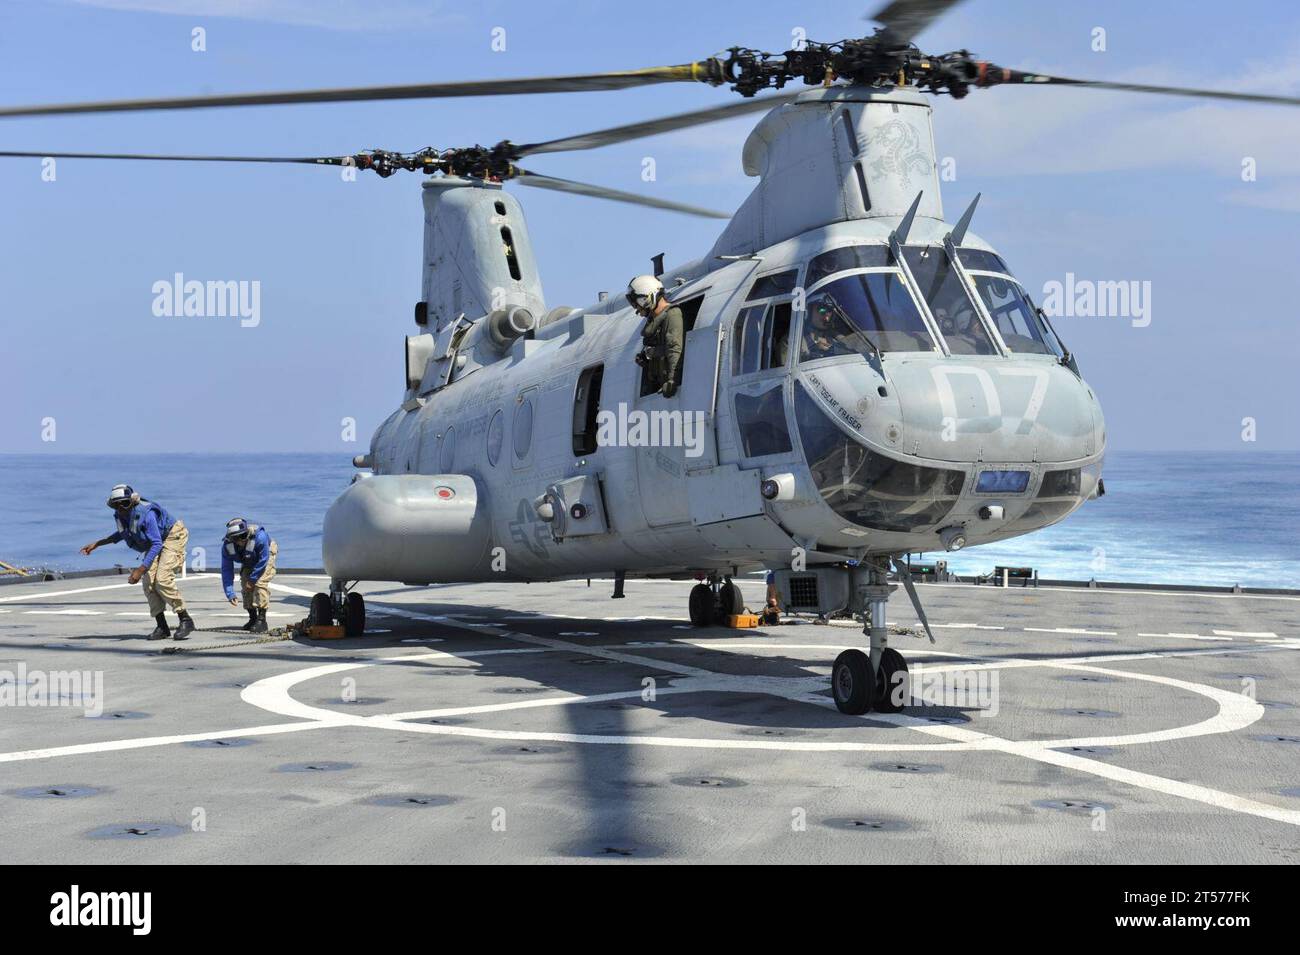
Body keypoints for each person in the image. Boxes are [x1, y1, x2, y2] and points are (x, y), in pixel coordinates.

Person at [81, 484, 194, 640]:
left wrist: (140, 569)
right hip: (156, 541)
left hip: (172, 536)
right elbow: (124, 533)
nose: (121, 508)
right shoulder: (122, 515)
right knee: (148, 583)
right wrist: (98, 543)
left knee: (162, 579)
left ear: (132, 501)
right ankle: (162, 627)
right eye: (116, 505)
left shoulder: (146, 514)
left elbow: (156, 543)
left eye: (125, 503)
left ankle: (186, 619)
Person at [627, 274, 683, 397]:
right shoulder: (655, 320)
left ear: (647, 297)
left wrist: (672, 380)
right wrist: (646, 358)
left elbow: (674, 348)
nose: (638, 309)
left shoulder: (672, 315)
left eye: (639, 302)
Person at [220, 518, 277, 633]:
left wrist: (253, 579)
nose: (242, 540)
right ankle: (253, 617)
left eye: (244, 535)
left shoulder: (260, 537)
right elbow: (226, 569)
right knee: (245, 585)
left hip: (265, 555)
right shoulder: (227, 547)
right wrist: (230, 593)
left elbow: (263, 560)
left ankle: (262, 620)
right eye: (237, 538)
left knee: (259, 584)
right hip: (248, 559)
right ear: (232, 539)